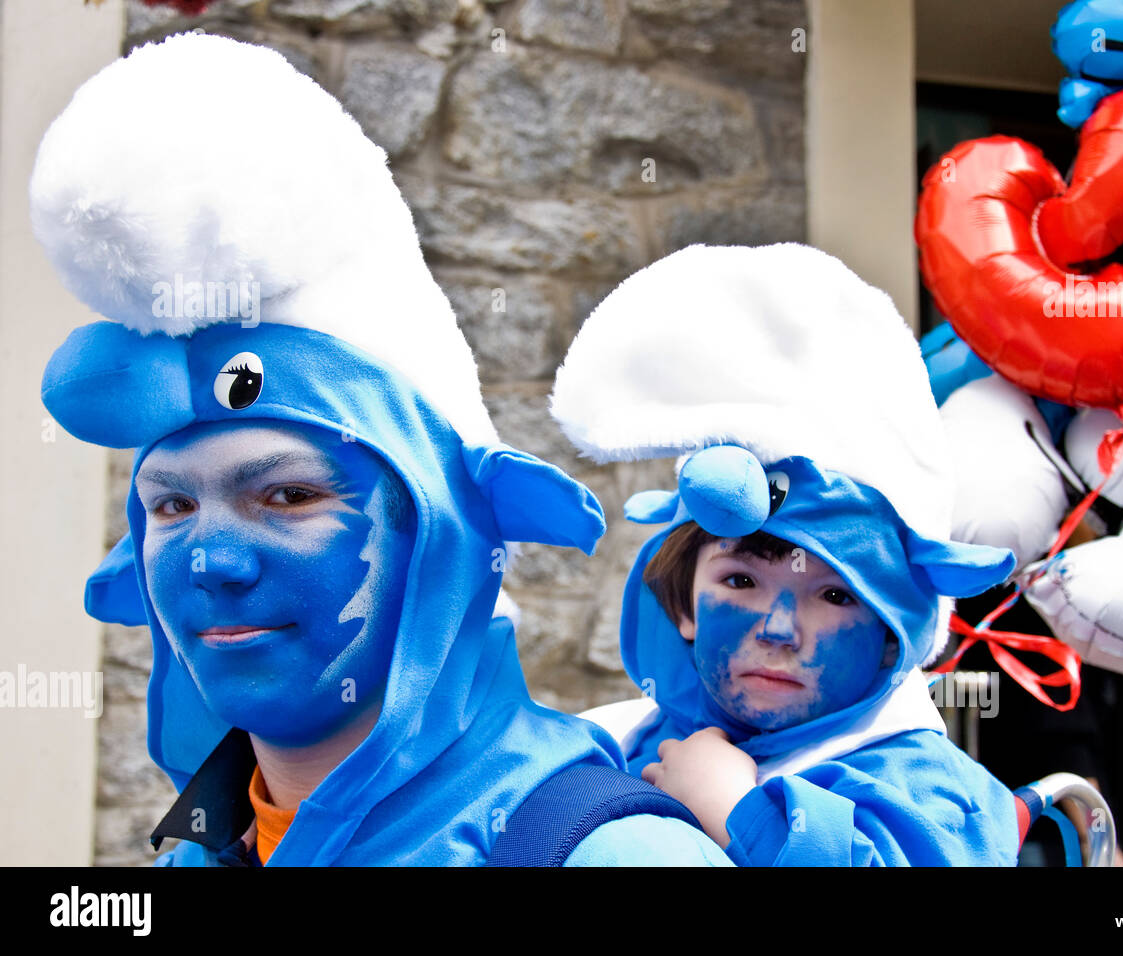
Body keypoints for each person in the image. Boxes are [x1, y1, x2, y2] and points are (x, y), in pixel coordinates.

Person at [32, 33, 729, 866]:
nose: (211, 559)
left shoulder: (610, 856)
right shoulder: (197, 855)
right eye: (172, 505)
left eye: (288, 496)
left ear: (440, 531)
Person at [553, 242, 1024, 865]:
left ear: (891, 632)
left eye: (833, 593)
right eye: (741, 580)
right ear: (686, 605)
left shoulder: (929, 793)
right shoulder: (610, 742)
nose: (778, 631)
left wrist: (739, 814)